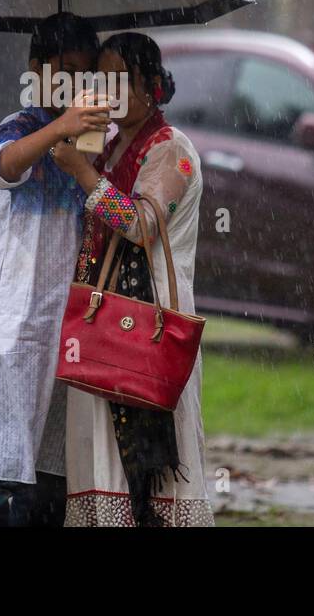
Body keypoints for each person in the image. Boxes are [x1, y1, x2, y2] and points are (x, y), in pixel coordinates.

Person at [0, 12, 110, 527]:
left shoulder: (89, 143)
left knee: (51, 479)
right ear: (35, 70)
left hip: (68, 332)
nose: (74, 85)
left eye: (84, 74)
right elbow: (5, 167)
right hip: (16, 333)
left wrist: (86, 153)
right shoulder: (16, 129)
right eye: (64, 71)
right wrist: (60, 128)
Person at [51, 32, 214, 527]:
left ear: (152, 85)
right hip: (106, 315)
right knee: (98, 447)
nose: (110, 89)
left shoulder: (172, 150)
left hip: (149, 319)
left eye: (121, 78)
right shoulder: (116, 145)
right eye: (104, 79)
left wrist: (82, 171)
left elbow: (142, 225)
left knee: (149, 464)